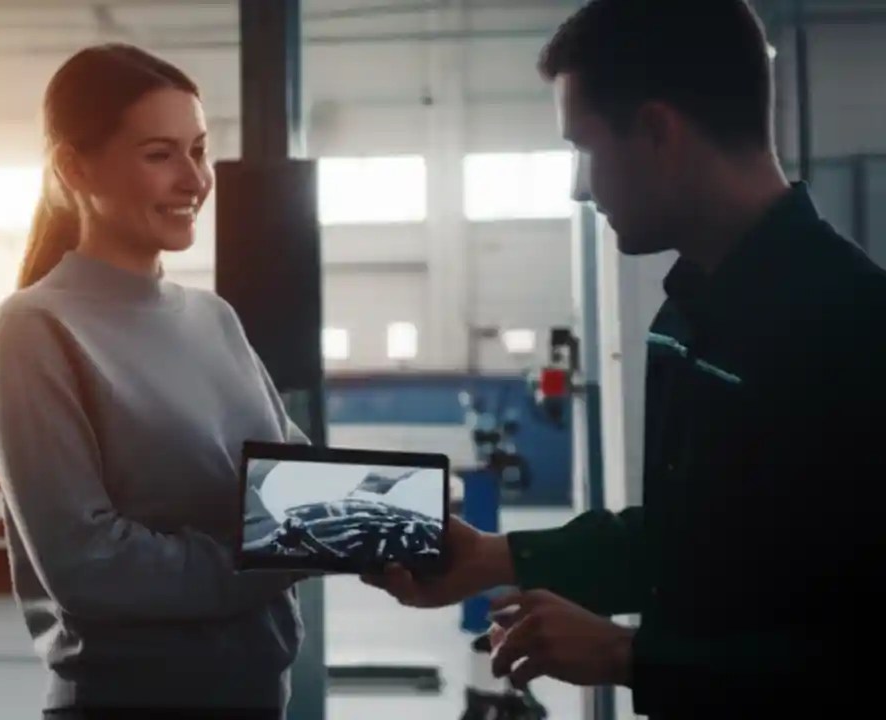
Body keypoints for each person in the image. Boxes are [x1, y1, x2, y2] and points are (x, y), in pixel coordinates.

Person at [363, 1, 886, 717]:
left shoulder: (855, 328)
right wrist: (491, 557)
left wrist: (626, 656)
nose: (580, 188)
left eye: (583, 147)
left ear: (657, 132)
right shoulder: (682, 321)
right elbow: (687, 543)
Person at [0, 44, 308, 720]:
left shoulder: (213, 318)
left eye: (199, 150)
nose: (193, 179)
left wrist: (422, 523)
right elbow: (92, 568)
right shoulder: (34, 328)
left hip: (261, 700)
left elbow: (301, 482)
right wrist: (274, 557)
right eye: (160, 155)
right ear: (73, 167)